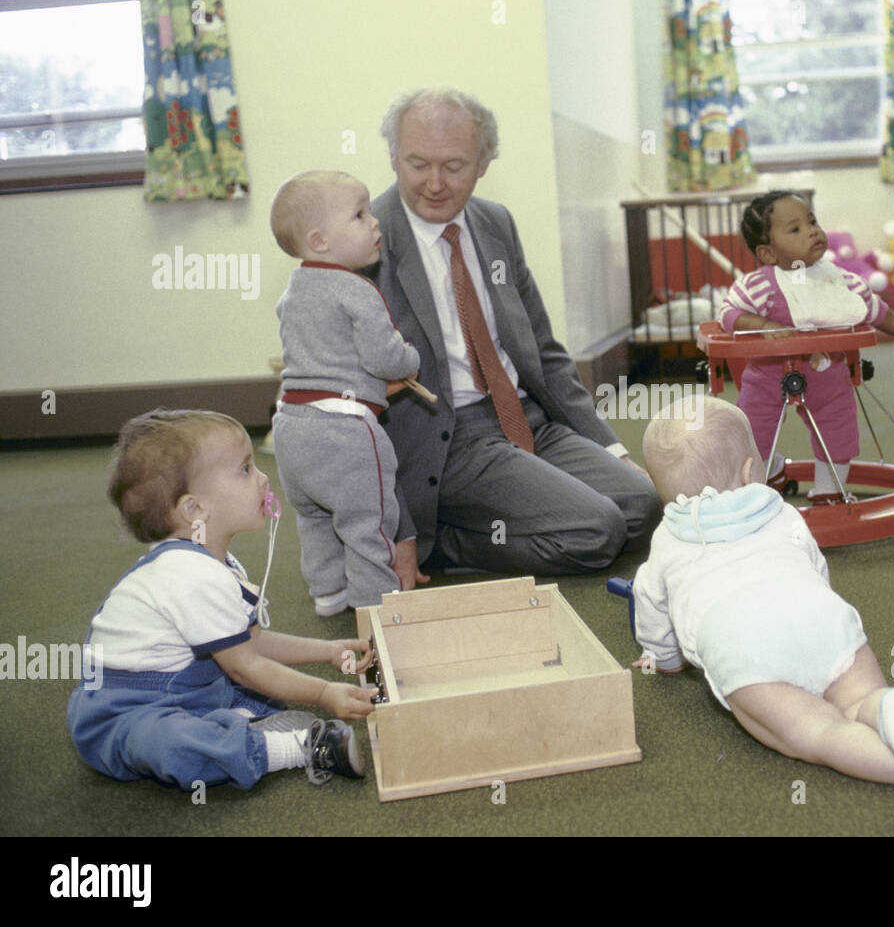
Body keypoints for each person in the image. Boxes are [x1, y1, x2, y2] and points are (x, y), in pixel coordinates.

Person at [632, 395, 894, 788]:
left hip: (744, 648)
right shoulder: (782, 512)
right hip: (819, 618)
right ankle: (886, 706)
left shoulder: (668, 540)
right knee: (859, 699)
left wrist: (664, 659)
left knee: (821, 734)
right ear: (751, 470)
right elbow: (815, 570)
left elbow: (651, 608)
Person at [367, 87, 661, 584]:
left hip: (525, 419)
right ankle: (445, 540)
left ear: (484, 163)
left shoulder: (495, 222)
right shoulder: (368, 240)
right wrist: (406, 529)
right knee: (597, 528)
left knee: (642, 503)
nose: (434, 183)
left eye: (454, 166)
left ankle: (506, 519)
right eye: (418, 163)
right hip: (450, 439)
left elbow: (544, 354)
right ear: (393, 156)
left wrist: (615, 451)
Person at [67, 410, 376, 791]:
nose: (263, 477)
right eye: (245, 469)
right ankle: (296, 748)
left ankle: (244, 721)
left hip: (180, 688)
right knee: (178, 742)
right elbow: (246, 666)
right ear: (195, 509)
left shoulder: (212, 561)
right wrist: (324, 692)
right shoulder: (191, 575)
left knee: (243, 684)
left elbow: (251, 642)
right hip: (123, 713)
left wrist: (326, 650)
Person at [269, 170, 420, 614]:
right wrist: (410, 358)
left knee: (315, 517)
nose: (374, 223)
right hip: (345, 429)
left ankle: (328, 593)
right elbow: (385, 358)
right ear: (319, 241)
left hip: (290, 426)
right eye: (358, 215)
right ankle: (378, 607)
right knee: (368, 522)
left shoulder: (293, 291)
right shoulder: (357, 290)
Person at [718, 191, 894, 501]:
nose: (812, 231)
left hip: (828, 375)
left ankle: (829, 490)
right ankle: (758, 483)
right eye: (795, 229)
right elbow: (728, 314)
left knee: (839, 427)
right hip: (767, 376)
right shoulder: (761, 285)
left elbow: (874, 309)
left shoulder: (842, 280)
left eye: (812, 222)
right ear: (768, 254)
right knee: (753, 431)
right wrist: (763, 326)